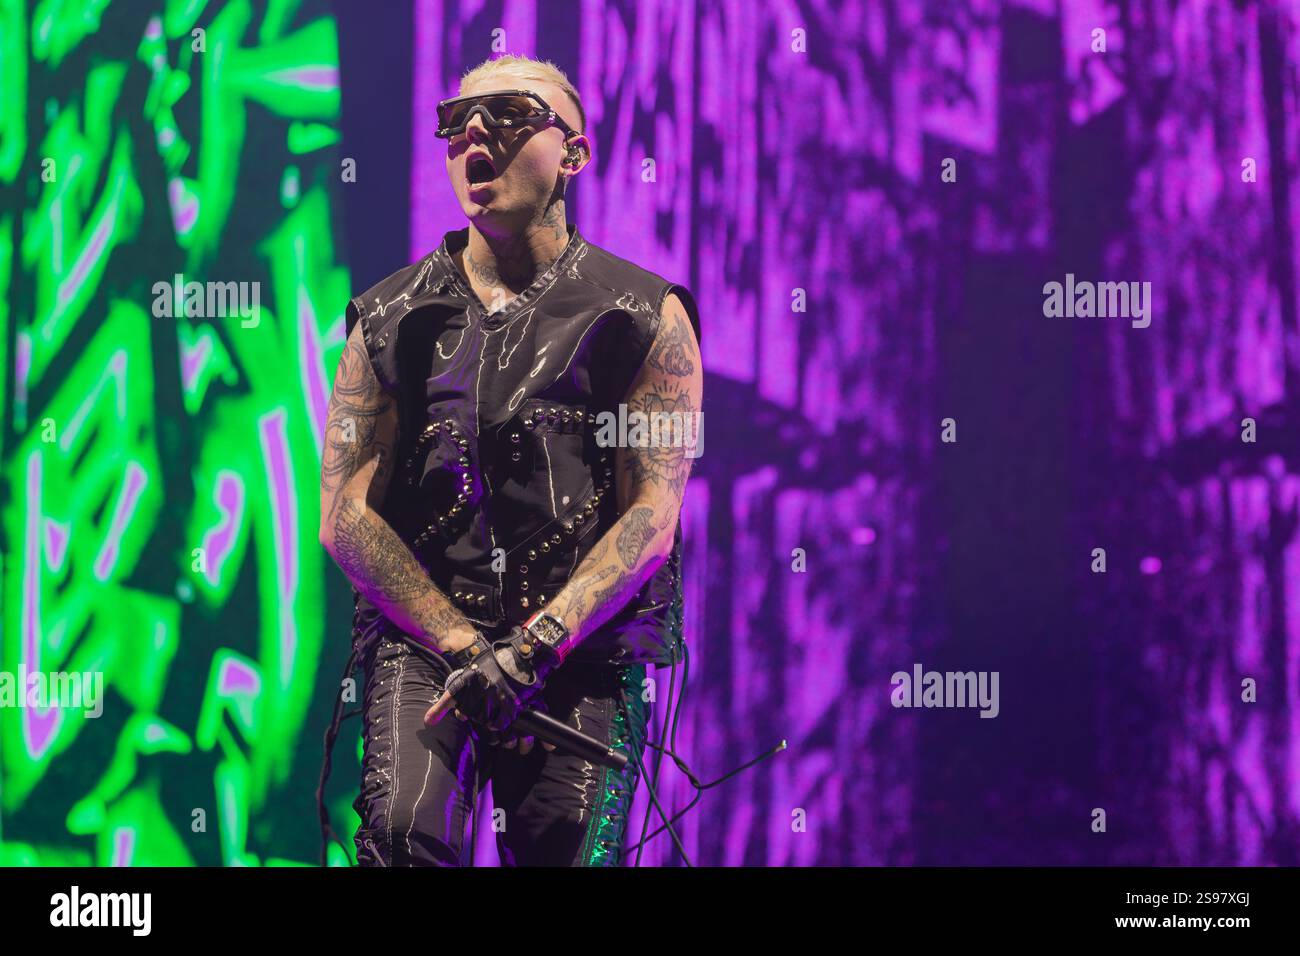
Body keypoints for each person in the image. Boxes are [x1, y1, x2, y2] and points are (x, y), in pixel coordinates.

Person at [319, 54, 702, 866]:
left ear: (576, 152)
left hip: (582, 651)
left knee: (562, 850)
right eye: (457, 120)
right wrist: (462, 646)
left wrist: (533, 649)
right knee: (400, 839)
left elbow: (653, 515)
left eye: (511, 112)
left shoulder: (645, 317)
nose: (476, 133)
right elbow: (343, 516)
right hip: (427, 643)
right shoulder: (387, 317)